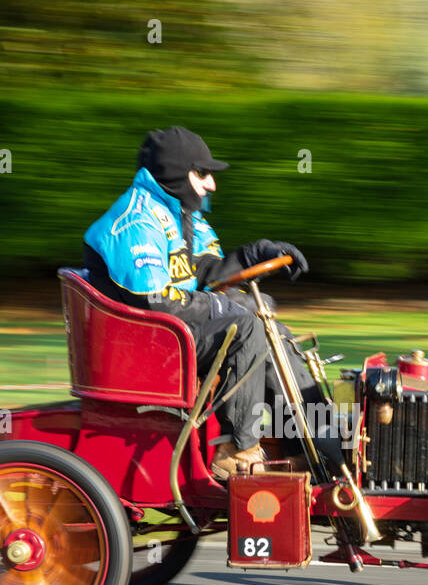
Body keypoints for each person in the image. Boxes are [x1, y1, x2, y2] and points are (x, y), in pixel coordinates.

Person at [83, 126, 331, 479]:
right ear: (174, 171)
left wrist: (256, 253)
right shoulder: (137, 221)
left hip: (168, 334)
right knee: (245, 327)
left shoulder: (177, 214)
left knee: (270, 328)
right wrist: (228, 307)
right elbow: (156, 302)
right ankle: (238, 452)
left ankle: (318, 445)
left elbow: (203, 272)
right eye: (202, 173)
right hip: (144, 344)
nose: (211, 184)